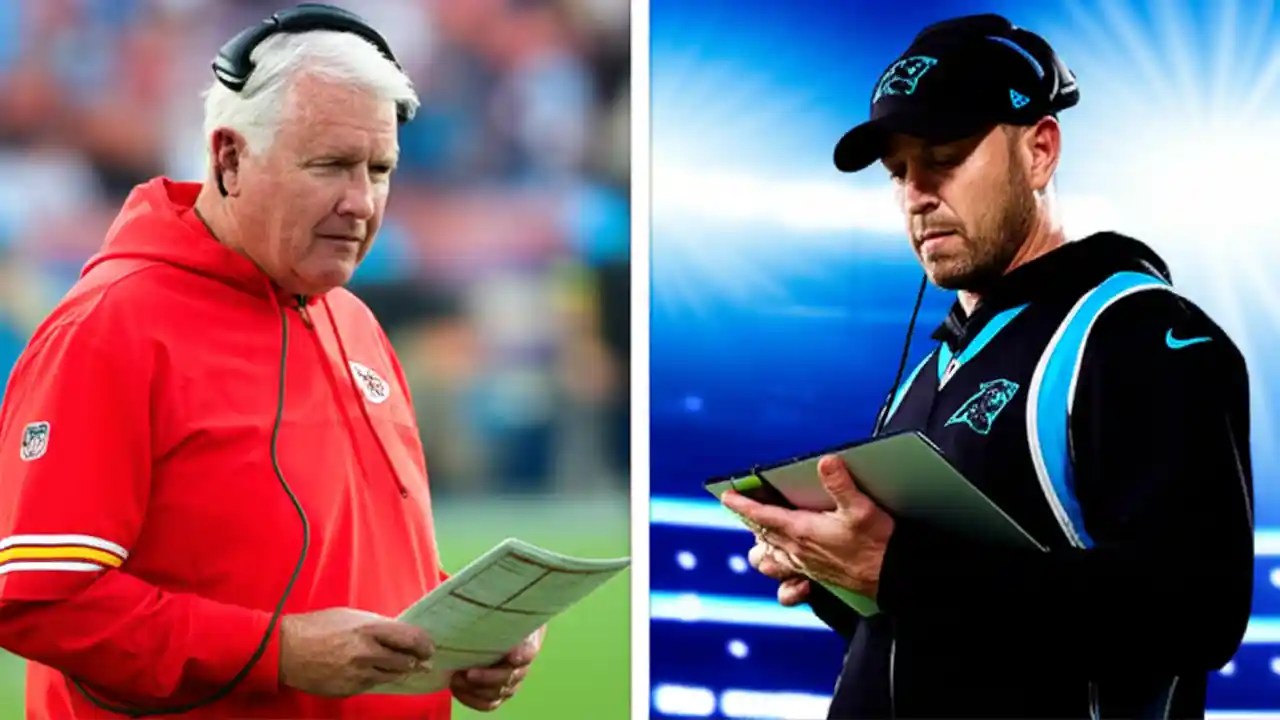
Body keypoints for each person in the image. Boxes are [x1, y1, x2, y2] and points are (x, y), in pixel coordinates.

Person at [0, 5, 543, 718]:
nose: (362, 202)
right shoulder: (110, 326)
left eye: (379, 169)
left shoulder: (354, 320)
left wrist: (467, 634)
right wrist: (275, 650)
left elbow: (354, 564)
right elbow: (43, 598)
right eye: (331, 166)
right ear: (229, 158)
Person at [722, 14, 1254, 720]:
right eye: (899, 172)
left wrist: (899, 570)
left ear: (1039, 150)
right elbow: (936, 634)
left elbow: (1195, 611)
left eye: (943, 156)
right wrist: (831, 572)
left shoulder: (1139, 334)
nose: (916, 193)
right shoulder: (929, 373)